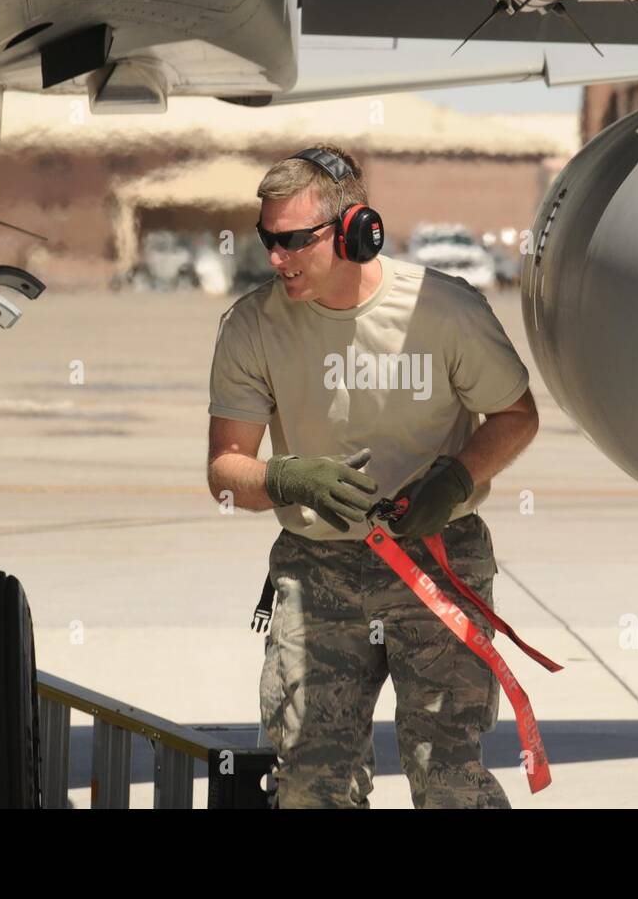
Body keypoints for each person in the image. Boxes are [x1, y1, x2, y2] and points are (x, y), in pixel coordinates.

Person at [206, 144, 539, 808]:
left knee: (447, 777)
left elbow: (516, 413)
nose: (277, 259)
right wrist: (289, 479)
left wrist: (454, 481)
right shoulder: (253, 327)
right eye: (268, 240)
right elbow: (224, 471)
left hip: (436, 564)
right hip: (317, 571)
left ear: (357, 229)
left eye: (296, 241)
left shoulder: (443, 311)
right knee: (310, 783)